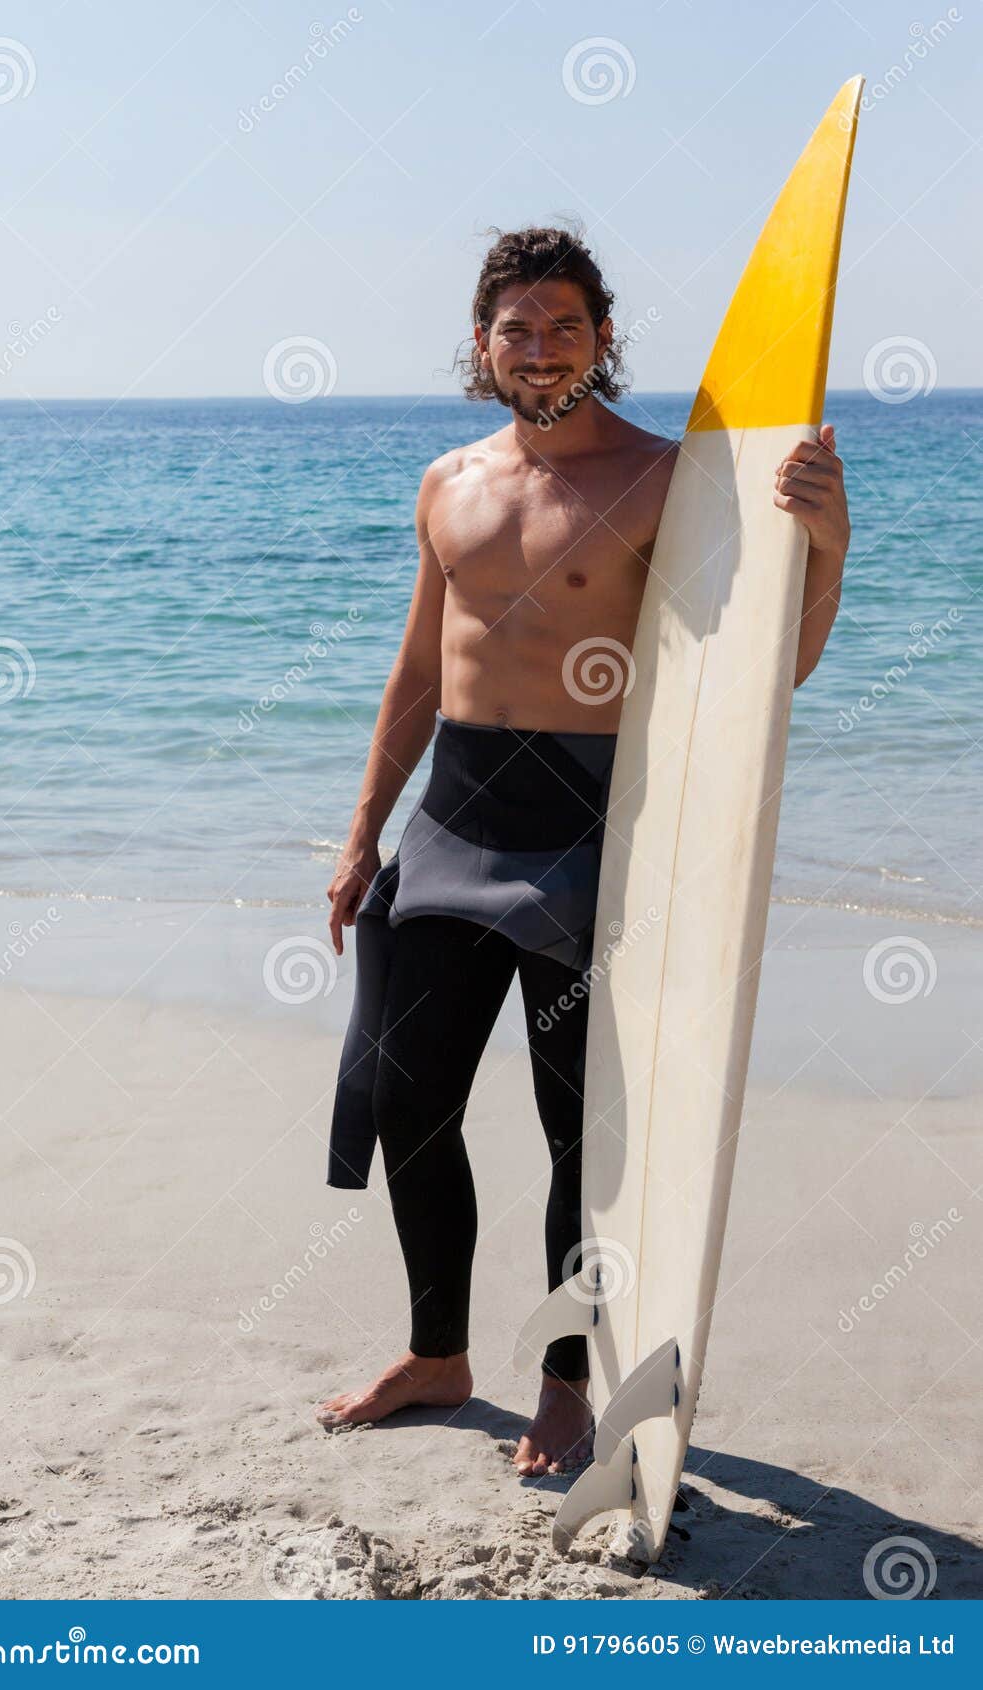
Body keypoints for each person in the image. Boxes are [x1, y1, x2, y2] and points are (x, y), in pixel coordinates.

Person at [317, 226, 850, 1476]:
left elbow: (770, 668)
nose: (539, 346)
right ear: (481, 343)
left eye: (564, 324)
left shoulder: (670, 481)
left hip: (591, 831)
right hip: (454, 815)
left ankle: (565, 1381)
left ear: (603, 338)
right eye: (516, 327)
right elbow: (412, 674)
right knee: (406, 1097)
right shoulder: (447, 482)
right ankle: (438, 1355)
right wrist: (361, 839)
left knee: (581, 1129)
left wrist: (826, 549)